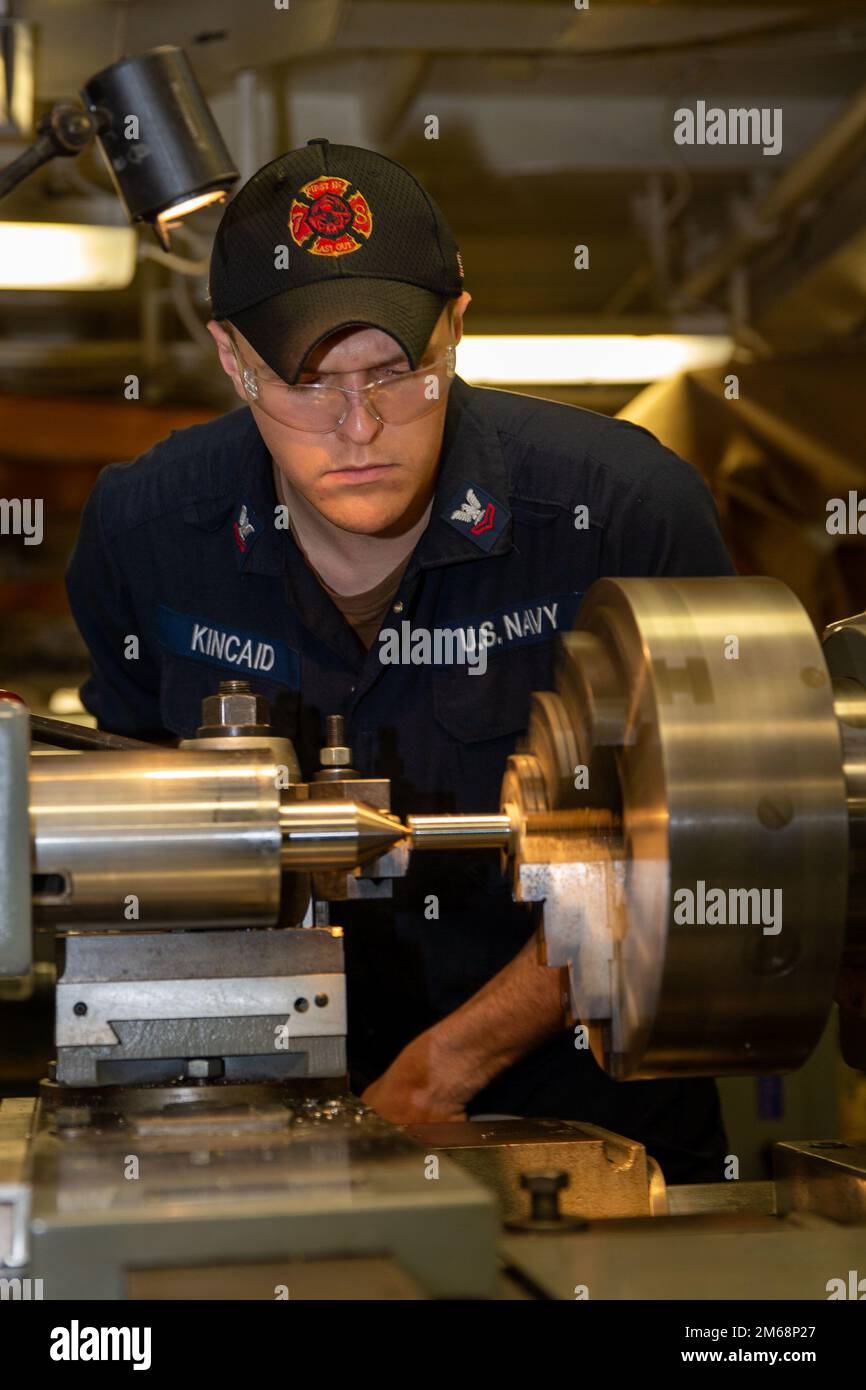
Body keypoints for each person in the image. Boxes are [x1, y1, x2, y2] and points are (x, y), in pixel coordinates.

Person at [66, 138, 736, 1183]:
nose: (359, 424)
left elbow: (708, 844)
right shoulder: (145, 536)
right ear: (234, 361)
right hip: (263, 1122)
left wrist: (445, 1066)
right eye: (307, 382)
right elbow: (132, 846)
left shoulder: (622, 519)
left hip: (596, 1123)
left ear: (457, 331)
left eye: (394, 371)